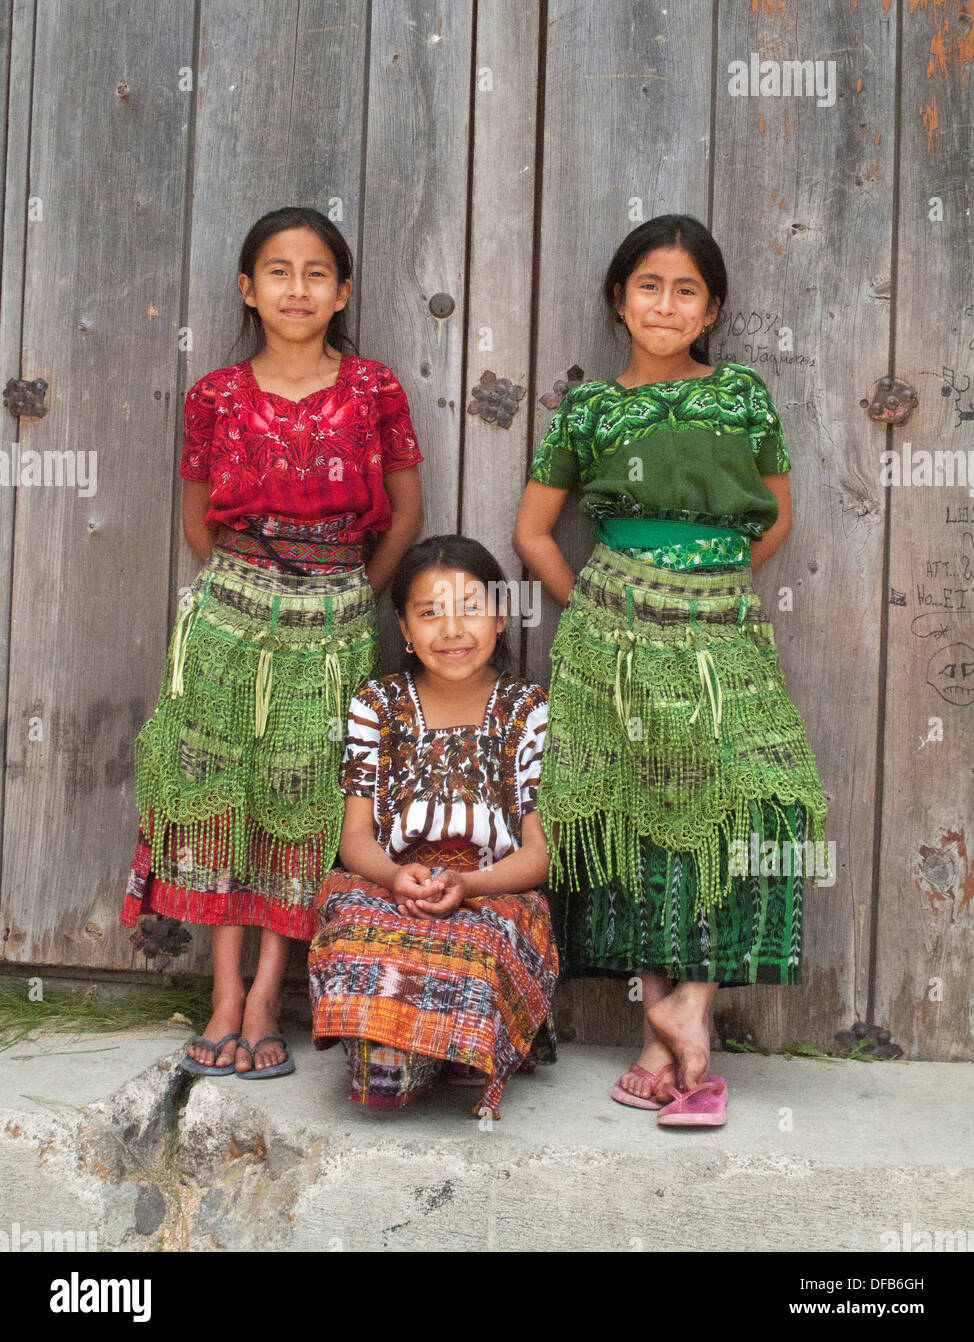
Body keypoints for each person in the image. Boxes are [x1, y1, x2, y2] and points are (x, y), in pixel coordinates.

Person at [513, 215, 829, 1127]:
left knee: (752, 799)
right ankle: (662, 1033)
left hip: (719, 634)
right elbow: (535, 531)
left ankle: (692, 1002)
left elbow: (774, 516)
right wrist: (607, 602)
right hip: (611, 645)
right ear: (619, 300)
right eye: (648, 285)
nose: (665, 303)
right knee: (637, 817)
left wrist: (707, 591)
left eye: (686, 289)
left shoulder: (742, 395)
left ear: (713, 307)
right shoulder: (589, 412)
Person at [120, 206, 423, 1079]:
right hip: (228, 622)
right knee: (220, 804)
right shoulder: (216, 395)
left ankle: (266, 1000)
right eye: (279, 272)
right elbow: (196, 520)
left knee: (303, 806)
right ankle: (222, 993)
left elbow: (403, 515)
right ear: (249, 290)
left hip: (332, 624)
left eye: (317, 272)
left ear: (343, 291)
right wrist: (249, 596)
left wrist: (350, 598)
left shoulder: (373, 390)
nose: (298, 288)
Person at [308, 536, 557, 1118]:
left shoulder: (527, 710)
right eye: (429, 613)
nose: (452, 630)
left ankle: (458, 1047)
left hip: (491, 889)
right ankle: (406, 1053)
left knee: (482, 944)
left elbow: (537, 856)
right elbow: (355, 841)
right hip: (392, 882)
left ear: (499, 618)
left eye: (471, 608)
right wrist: (396, 879)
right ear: (403, 627)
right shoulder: (377, 704)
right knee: (351, 928)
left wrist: (468, 886)